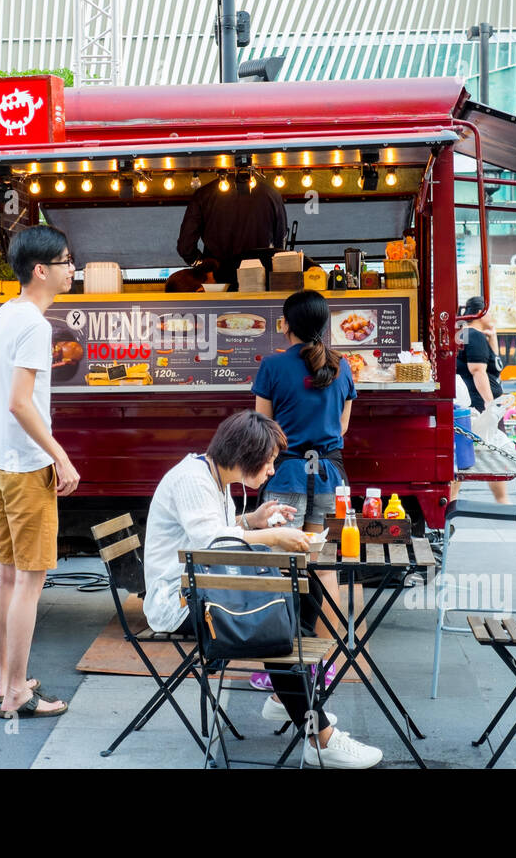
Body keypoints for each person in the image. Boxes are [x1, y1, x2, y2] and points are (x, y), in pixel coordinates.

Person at [142, 410, 384, 768]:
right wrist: (271, 534)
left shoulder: (210, 475)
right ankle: (320, 737)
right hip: (179, 603)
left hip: (206, 591)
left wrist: (251, 521)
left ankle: (285, 694)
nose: (272, 469)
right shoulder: (193, 480)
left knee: (298, 601)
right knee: (275, 623)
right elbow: (211, 543)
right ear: (246, 453)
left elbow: (215, 529)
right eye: (269, 461)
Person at [0, 225, 80, 717]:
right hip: (23, 465)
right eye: (65, 261)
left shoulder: (7, 313)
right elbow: (21, 403)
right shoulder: (37, 326)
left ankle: (5, 680)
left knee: (8, 575)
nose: (72, 268)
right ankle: (18, 691)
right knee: (28, 582)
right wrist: (60, 455)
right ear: (41, 270)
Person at [251, 289, 355, 691]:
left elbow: (264, 428)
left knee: (283, 568)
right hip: (330, 475)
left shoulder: (273, 365)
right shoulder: (342, 366)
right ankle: (319, 660)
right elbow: (342, 428)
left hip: (287, 476)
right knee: (321, 563)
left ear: (287, 324)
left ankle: (282, 663)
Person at [177, 176, 287, 284]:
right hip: (259, 279)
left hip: (218, 279)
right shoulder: (272, 195)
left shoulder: (203, 195)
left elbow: (185, 247)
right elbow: (280, 248)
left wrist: (204, 266)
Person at [454, 296, 508, 503]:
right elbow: (478, 371)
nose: (494, 315)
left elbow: (496, 367)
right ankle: (502, 500)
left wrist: (492, 337)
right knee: (492, 452)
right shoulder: (473, 335)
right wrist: (490, 404)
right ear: (480, 313)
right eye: (491, 311)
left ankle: (500, 498)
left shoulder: (469, 335)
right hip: (479, 404)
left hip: (474, 403)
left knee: (464, 453)